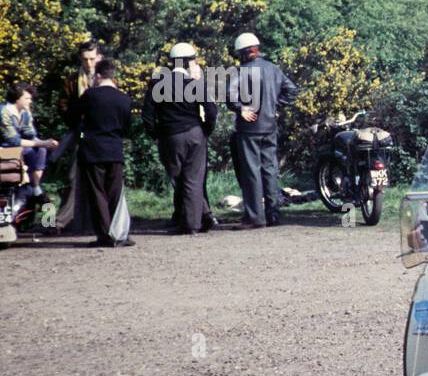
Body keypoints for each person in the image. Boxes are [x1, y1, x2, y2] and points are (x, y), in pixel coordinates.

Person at [143, 43, 217, 235]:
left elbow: (147, 116)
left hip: (170, 136)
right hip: (195, 133)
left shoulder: (157, 84)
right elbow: (211, 111)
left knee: (179, 178)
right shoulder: (194, 84)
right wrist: (205, 130)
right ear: (188, 62)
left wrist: (156, 135)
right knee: (193, 179)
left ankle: (191, 219)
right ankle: (196, 222)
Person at [227, 32, 297, 229]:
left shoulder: (240, 71)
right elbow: (292, 90)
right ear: (256, 50)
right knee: (270, 170)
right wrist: (274, 106)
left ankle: (255, 217)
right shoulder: (273, 68)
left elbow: (230, 97)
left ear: (243, 53)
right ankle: (273, 214)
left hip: (249, 129)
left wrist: (241, 109)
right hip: (270, 126)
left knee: (251, 173)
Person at [70, 59, 134, 248]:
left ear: (97, 75)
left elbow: (73, 117)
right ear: (113, 76)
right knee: (115, 193)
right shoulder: (124, 99)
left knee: (97, 193)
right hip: (114, 149)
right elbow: (127, 127)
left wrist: (82, 133)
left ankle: (104, 235)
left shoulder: (89, 95)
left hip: (92, 149)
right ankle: (118, 233)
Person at [54, 39, 102, 234]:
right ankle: (59, 222)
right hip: (80, 132)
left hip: (102, 135)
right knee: (73, 176)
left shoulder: (106, 78)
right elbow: (62, 106)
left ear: (99, 58)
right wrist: (77, 119)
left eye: (92, 59)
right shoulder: (73, 81)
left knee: (103, 178)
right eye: (85, 59)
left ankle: (101, 221)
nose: (89, 63)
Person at [1, 84, 59, 202]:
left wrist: (47, 143)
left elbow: (30, 135)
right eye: (27, 98)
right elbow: (13, 141)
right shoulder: (4, 112)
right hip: (3, 148)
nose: (30, 101)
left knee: (41, 150)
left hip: (15, 147)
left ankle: (35, 188)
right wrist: (41, 143)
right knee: (36, 149)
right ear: (17, 99)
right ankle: (27, 189)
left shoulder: (24, 112)